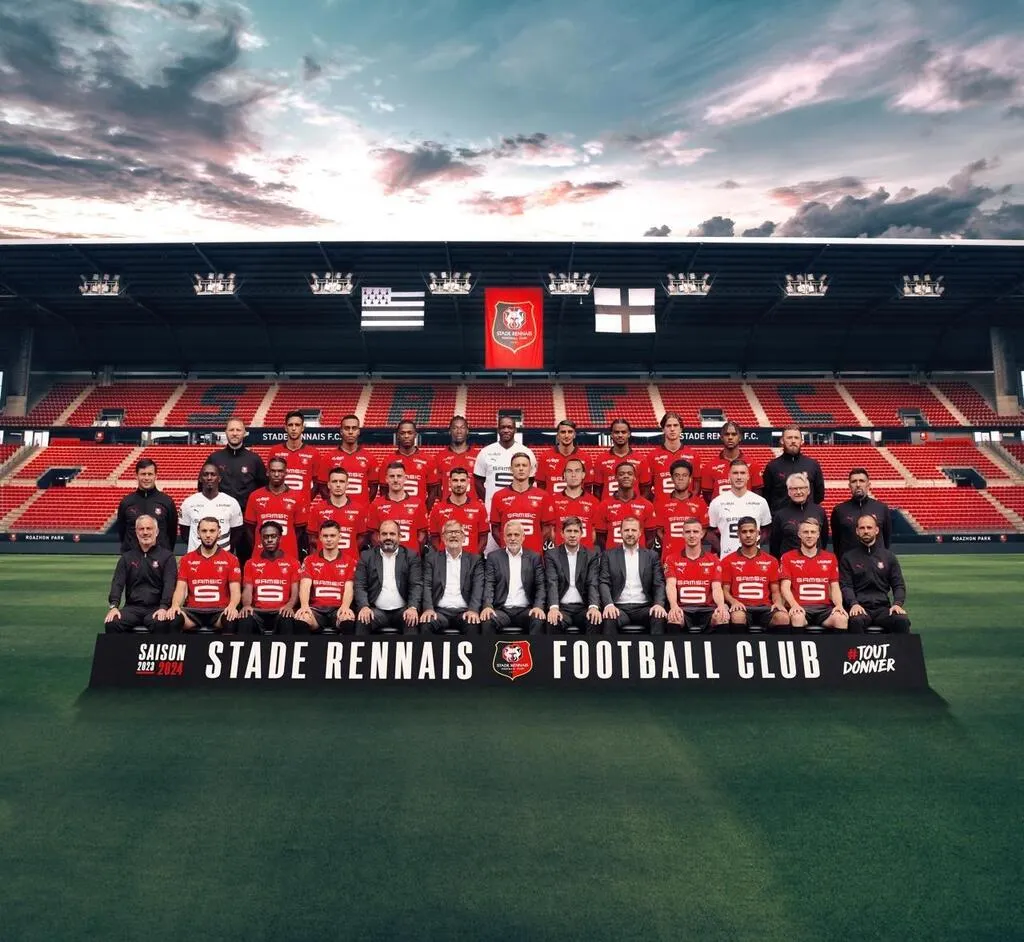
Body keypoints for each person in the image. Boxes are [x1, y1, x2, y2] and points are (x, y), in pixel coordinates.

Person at [104, 515, 178, 634]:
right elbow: (117, 584)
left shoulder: (167, 557)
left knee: (161, 623)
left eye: (149, 528)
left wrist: (164, 607)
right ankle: (122, 653)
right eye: (141, 529)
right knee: (112, 622)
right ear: (136, 532)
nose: (145, 532)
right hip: (132, 608)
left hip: (156, 607)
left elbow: (169, 585)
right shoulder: (127, 558)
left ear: (157, 531)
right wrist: (114, 607)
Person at [839, 515, 911, 634]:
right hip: (860, 608)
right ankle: (858, 652)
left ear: (876, 530)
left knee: (901, 620)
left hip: (883, 608)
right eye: (862, 528)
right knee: (855, 621)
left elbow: (898, 585)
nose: (866, 531)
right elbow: (846, 586)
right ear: (857, 531)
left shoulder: (888, 557)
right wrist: (854, 604)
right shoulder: (848, 557)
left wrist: (897, 604)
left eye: (869, 527)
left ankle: (900, 652)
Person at [598, 516, 669, 635]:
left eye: (633, 530)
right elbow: (603, 582)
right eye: (626, 530)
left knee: (658, 616)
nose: (630, 534)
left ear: (640, 532)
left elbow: (659, 583)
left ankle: (658, 653)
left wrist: (658, 604)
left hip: (644, 607)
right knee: (609, 617)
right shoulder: (608, 555)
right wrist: (609, 604)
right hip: (618, 607)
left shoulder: (651, 556)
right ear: (620, 532)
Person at [169, 517, 241, 633]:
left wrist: (232, 606)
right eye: (204, 531)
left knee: (231, 620)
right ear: (198, 533)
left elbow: (236, 591)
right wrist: (175, 605)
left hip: (219, 612)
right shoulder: (187, 559)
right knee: (174, 619)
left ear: (219, 533)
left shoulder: (231, 559)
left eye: (212, 531)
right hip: (192, 612)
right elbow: (180, 589)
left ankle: (226, 651)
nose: (208, 535)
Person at [354, 520, 423, 635]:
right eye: (384, 534)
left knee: (411, 620)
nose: (388, 537)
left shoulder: (411, 556)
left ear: (399, 537)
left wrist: (412, 607)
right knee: (363, 619)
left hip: (403, 610)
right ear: (378, 537)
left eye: (392, 534)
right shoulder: (367, 556)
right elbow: (360, 585)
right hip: (376, 610)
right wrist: (364, 606)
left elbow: (415, 585)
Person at [721, 517, 789, 632]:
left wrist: (777, 602)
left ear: (758, 533)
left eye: (751, 531)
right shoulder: (728, 561)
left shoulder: (771, 561)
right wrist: (734, 602)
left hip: (765, 607)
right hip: (741, 607)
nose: (748, 535)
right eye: (744, 532)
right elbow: (725, 591)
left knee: (783, 618)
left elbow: (775, 591)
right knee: (738, 617)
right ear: (738, 534)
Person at [780, 519, 848, 632]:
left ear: (818, 535)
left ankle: (835, 650)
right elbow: (785, 587)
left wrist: (839, 605)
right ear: (799, 534)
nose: (809, 535)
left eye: (813, 532)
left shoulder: (830, 557)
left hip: (824, 609)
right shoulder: (788, 557)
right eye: (806, 532)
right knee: (797, 617)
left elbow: (835, 586)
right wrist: (794, 605)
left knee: (841, 619)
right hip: (800, 607)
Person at [480, 520, 547, 635]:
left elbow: (541, 585)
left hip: (525, 610)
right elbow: (489, 584)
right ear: (504, 538)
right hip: (501, 610)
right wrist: (487, 606)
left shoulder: (534, 557)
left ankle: (535, 653)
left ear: (523, 537)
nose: (513, 538)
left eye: (516, 534)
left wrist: (538, 606)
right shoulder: (493, 557)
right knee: (487, 619)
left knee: (538, 618)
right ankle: (488, 653)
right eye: (509, 535)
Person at [665, 518, 730, 633]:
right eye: (688, 532)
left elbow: (716, 588)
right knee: (674, 618)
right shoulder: (671, 559)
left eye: (695, 532)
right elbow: (670, 586)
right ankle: (676, 651)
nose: (691, 535)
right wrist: (674, 606)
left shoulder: (714, 559)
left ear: (702, 534)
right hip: (683, 609)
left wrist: (720, 605)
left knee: (722, 618)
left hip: (708, 609)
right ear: (682, 534)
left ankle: (721, 651)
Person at [420, 520, 484, 634]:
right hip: (439, 611)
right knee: (427, 622)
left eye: (457, 532)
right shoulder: (431, 559)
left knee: (472, 623)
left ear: (463, 537)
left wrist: (473, 610)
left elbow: (478, 587)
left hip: (464, 611)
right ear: (443, 538)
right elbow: (427, 585)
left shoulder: (475, 560)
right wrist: (428, 608)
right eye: (449, 532)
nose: (453, 535)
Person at [293, 520, 357, 634]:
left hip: (338, 608)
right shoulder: (309, 560)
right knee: (301, 618)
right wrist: (304, 606)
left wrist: (345, 606)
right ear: (320, 538)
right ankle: (308, 652)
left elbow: (349, 588)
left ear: (339, 537)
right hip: (316, 609)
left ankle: (346, 651)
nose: (329, 539)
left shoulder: (350, 561)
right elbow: (305, 586)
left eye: (332, 535)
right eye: (325, 536)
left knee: (348, 619)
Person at [237, 521, 300, 636]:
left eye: (273, 536)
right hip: (258, 612)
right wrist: (246, 605)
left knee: (287, 618)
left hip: (281, 611)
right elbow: (247, 590)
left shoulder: (293, 563)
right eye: (266, 537)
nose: (269, 540)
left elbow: (295, 591)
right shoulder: (250, 563)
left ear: (280, 538)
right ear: (261, 539)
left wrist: (289, 606)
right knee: (245, 619)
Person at [544, 516, 602, 633]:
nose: (572, 535)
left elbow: (593, 582)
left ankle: (591, 652)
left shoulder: (591, 556)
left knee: (594, 619)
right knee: (552, 620)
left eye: (576, 531)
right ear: (562, 533)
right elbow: (552, 582)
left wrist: (594, 607)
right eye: (569, 531)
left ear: (581, 533)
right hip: (562, 607)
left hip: (583, 607)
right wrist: (554, 607)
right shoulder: (552, 555)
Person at [244, 456, 308, 561]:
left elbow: (300, 530)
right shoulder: (255, 496)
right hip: (261, 554)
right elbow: (249, 528)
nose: (276, 474)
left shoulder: (298, 497)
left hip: (289, 554)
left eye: (280, 471)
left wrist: (287, 543)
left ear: (286, 473)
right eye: (273, 471)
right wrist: (259, 545)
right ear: (267, 472)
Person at [707, 460, 772, 558]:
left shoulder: (760, 502)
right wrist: (722, 548)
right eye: (735, 473)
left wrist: (755, 544)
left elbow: (767, 529)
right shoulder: (717, 502)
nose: (739, 477)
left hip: (753, 558)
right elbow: (709, 531)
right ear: (729, 476)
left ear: (748, 476)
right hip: (727, 558)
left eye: (742, 473)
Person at [489, 452, 551, 554]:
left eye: (524, 465)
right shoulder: (499, 496)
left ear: (530, 469)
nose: (521, 468)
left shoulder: (543, 496)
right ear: (511, 469)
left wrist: (536, 545)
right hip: (508, 554)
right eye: (517, 465)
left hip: (534, 556)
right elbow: (495, 529)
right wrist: (508, 545)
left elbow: (547, 528)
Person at [473, 416, 537, 513]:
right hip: (492, 509)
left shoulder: (527, 452)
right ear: (498, 429)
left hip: (519, 508)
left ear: (515, 430)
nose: (506, 430)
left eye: (509, 427)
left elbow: (531, 480)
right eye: (503, 427)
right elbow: (478, 482)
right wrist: (490, 499)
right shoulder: (486, 452)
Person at [204, 416, 267, 514]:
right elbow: (202, 485)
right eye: (231, 430)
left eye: (238, 430)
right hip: (219, 515)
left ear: (244, 433)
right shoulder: (214, 458)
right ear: (226, 432)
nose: (234, 433)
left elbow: (263, 487)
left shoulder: (254, 459)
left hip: (246, 516)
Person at [179, 462, 244, 553]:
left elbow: (236, 533)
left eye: (213, 474)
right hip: (196, 559)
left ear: (219, 478)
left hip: (222, 559)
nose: (209, 478)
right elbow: (185, 534)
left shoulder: (231, 503)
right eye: (205, 475)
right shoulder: (188, 503)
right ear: (200, 479)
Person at [830, 468, 892, 560]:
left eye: (862, 481)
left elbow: (887, 539)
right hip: (849, 566)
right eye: (854, 481)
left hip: (876, 563)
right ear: (849, 485)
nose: (858, 485)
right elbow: (836, 542)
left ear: (868, 485)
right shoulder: (839, 510)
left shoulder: (881, 508)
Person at [116, 458, 177, 552]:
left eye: (150, 474)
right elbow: (122, 531)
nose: (146, 478)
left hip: (160, 559)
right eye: (143, 474)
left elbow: (172, 533)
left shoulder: (167, 502)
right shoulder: (126, 502)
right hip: (132, 559)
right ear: (136, 476)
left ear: (156, 476)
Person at [314, 414, 379, 503]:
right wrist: (334, 505)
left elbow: (373, 488)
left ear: (358, 431)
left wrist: (363, 506)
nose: (350, 431)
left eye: (354, 428)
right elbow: (322, 487)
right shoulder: (328, 458)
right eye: (347, 428)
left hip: (361, 512)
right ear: (341, 431)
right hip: (336, 513)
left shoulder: (370, 458)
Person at [366, 461, 428, 554]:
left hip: (411, 560)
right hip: (386, 557)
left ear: (405, 478)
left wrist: (413, 554)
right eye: (392, 476)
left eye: (399, 476)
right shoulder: (376, 505)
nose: (395, 480)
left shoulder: (418, 504)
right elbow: (374, 536)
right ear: (386, 479)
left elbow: (422, 536)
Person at [656, 459, 709, 565]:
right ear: (672, 478)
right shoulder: (660, 503)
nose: (680, 478)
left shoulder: (700, 503)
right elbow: (659, 531)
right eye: (677, 475)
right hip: (668, 559)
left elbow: (703, 530)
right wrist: (670, 544)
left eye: (684, 475)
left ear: (690, 479)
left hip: (693, 560)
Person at [594, 461, 657, 550]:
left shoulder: (647, 505)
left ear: (635, 478)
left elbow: (650, 538)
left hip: (638, 558)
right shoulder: (604, 505)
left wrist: (640, 553)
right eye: (621, 474)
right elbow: (601, 538)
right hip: (613, 558)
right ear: (616, 478)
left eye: (630, 474)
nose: (626, 476)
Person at [307, 467, 369, 557]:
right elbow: (312, 539)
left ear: (347, 485)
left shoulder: (359, 509)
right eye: (334, 481)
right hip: (324, 562)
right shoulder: (317, 509)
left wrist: (347, 552)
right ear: (328, 484)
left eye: (342, 481)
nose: (338, 485)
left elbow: (362, 538)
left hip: (350, 563)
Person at [647, 411, 705, 505]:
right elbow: (646, 487)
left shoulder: (693, 455)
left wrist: (689, 502)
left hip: (686, 509)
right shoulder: (652, 456)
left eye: (675, 425)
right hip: (661, 511)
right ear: (663, 429)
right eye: (668, 426)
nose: (672, 429)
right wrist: (658, 503)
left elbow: (697, 485)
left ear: (681, 428)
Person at [542, 457, 601, 550]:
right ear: (564, 475)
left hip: (586, 556)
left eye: (577, 471)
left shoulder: (594, 502)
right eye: (569, 471)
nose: (573, 475)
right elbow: (552, 532)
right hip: (561, 556)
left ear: (583, 475)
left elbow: (594, 534)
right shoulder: (552, 500)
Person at [377, 419, 440, 506]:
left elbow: (433, 491)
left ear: (415, 435)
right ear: (398, 436)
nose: (406, 436)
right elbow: (383, 490)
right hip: (393, 513)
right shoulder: (387, 460)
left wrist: (425, 510)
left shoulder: (428, 460)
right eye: (402, 433)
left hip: (417, 514)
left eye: (410, 433)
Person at [762, 426, 825, 511]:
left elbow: (819, 496)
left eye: (796, 438)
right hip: (781, 519)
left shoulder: (813, 464)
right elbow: (766, 496)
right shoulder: (772, 466)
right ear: (782, 440)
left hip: (806, 518)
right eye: (789, 438)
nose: (793, 441)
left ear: (801, 441)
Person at [428, 467, 489, 554]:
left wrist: (473, 558)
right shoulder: (438, 508)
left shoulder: (479, 508)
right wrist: (442, 558)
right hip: (446, 563)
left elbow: (483, 539)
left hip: (471, 563)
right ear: (449, 482)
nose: (459, 484)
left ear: (468, 482)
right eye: (455, 480)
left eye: (462, 480)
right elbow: (434, 539)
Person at [769, 471, 829, 559]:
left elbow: (823, 538)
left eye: (802, 488)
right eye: (794, 488)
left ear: (808, 490)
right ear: (789, 492)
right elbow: (775, 545)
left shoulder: (819, 511)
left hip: (815, 563)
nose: (798, 492)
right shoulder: (780, 515)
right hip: (789, 566)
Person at [704, 421, 763, 500]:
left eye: (734, 434)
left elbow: (757, 495)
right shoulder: (709, 467)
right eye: (727, 434)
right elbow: (707, 497)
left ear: (740, 437)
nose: (730, 437)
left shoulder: (753, 465)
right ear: (721, 437)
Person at [267, 410, 319, 500]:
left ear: (303, 427)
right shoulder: (275, 451)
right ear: (286, 428)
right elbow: (269, 478)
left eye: (297, 425)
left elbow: (318, 483)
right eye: (290, 425)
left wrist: (306, 499)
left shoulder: (313, 453)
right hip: (280, 504)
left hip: (302, 507)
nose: (294, 428)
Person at [595, 418, 651, 499]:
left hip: (634, 509)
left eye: (623, 432)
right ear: (611, 434)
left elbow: (646, 490)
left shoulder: (641, 459)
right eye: (616, 432)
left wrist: (637, 506)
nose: (620, 435)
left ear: (629, 434)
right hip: (609, 509)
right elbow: (597, 491)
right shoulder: (601, 459)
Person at [535, 419, 592, 494]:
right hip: (551, 505)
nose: (566, 435)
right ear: (558, 435)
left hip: (576, 505)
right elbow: (541, 487)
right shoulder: (545, 457)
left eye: (570, 432)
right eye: (563, 432)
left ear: (574, 435)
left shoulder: (585, 458)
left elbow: (587, 488)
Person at [435, 416, 480, 500]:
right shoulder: (440, 456)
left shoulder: (478, 456)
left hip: (472, 509)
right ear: (450, 431)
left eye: (462, 428)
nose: (459, 431)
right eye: (455, 428)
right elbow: (436, 486)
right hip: (447, 508)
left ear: (467, 431)